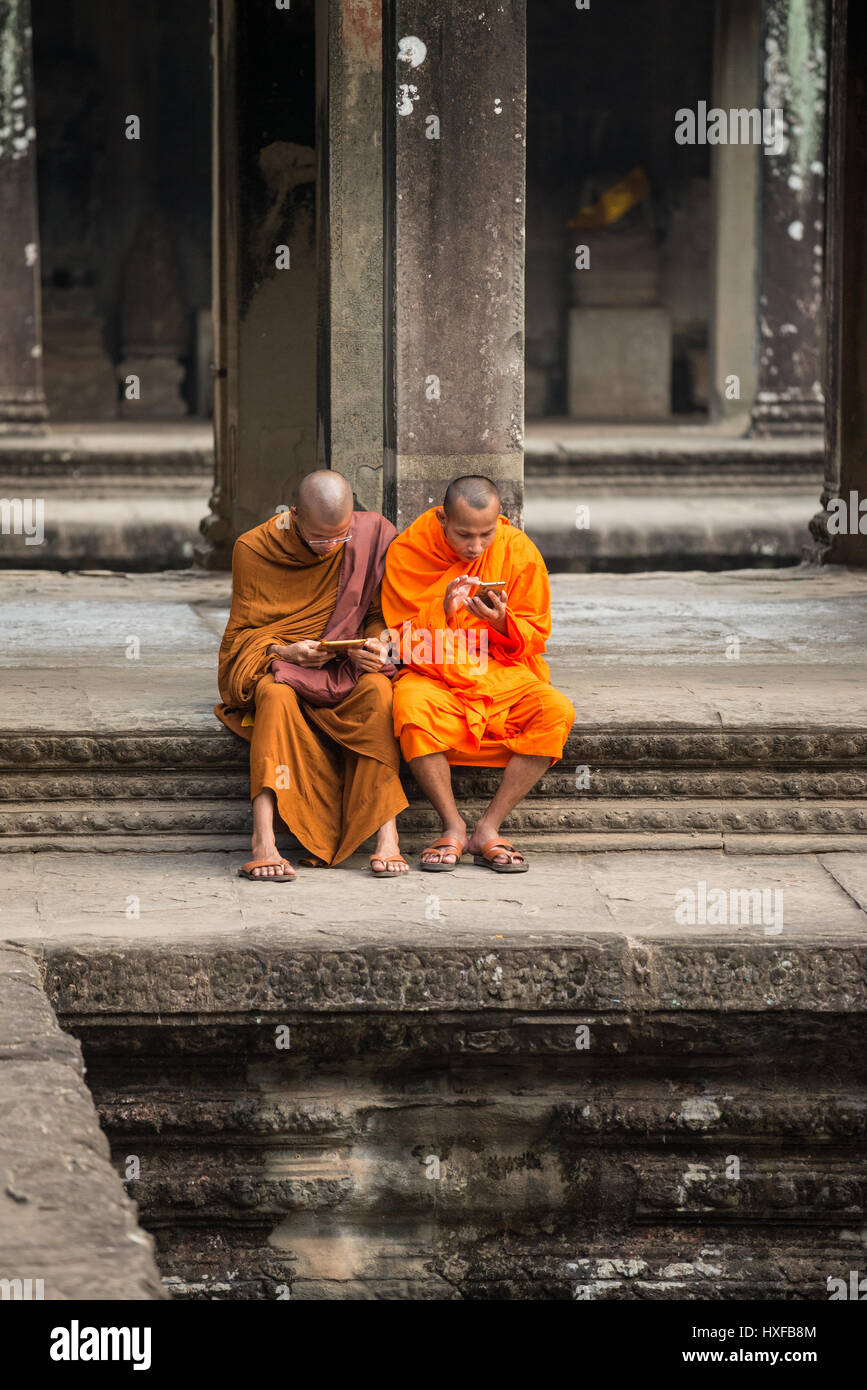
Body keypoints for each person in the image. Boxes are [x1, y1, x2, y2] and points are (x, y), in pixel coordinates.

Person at [216, 470, 409, 880]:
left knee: (379, 690)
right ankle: (263, 840)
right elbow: (241, 638)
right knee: (274, 696)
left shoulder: (373, 534)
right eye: (320, 538)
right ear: (295, 514)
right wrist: (286, 651)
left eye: (339, 538)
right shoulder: (254, 548)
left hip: (344, 667)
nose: (329, 548)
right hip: (285, 666)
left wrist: (374, 645)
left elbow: (376, 615)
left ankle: (387, 834)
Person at [381, 475, 574, 873]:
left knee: (554, 710)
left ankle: (488, 827)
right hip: (435, 672)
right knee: (411, 707)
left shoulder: (517, 549)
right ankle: (452, 824)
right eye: (464, 534)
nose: (475, 546)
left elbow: (536, 634)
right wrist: (444, 613)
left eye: (486, 534)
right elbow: (400, 643)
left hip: (501, 671)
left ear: (499, 520)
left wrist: (504, 623)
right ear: (442, 520)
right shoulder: (409, 551)